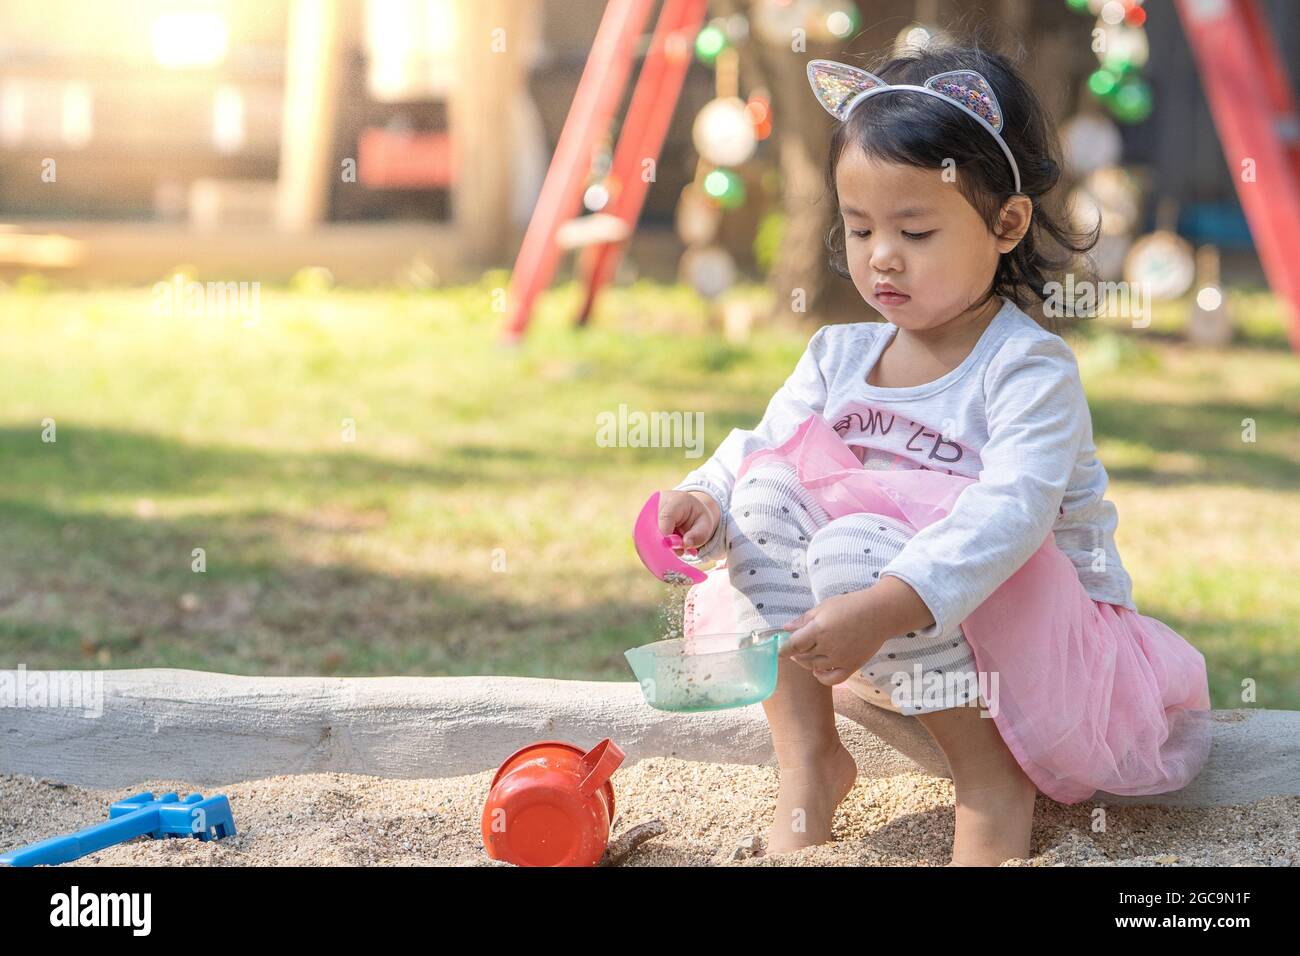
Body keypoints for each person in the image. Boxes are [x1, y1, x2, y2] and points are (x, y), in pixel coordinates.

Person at [654, 45, 1212, 866]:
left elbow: (1010, 517)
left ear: (1006, 224)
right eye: (860, 227)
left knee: (853, 544)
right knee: (764, 491)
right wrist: (705, 496)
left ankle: (989, 785)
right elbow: (761, 447)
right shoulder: (838, 357)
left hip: (1028, 652)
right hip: (874, 629)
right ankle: (811, 760)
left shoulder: (1025, 370)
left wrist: (884, 602)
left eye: (915, 230)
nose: (881, 255)